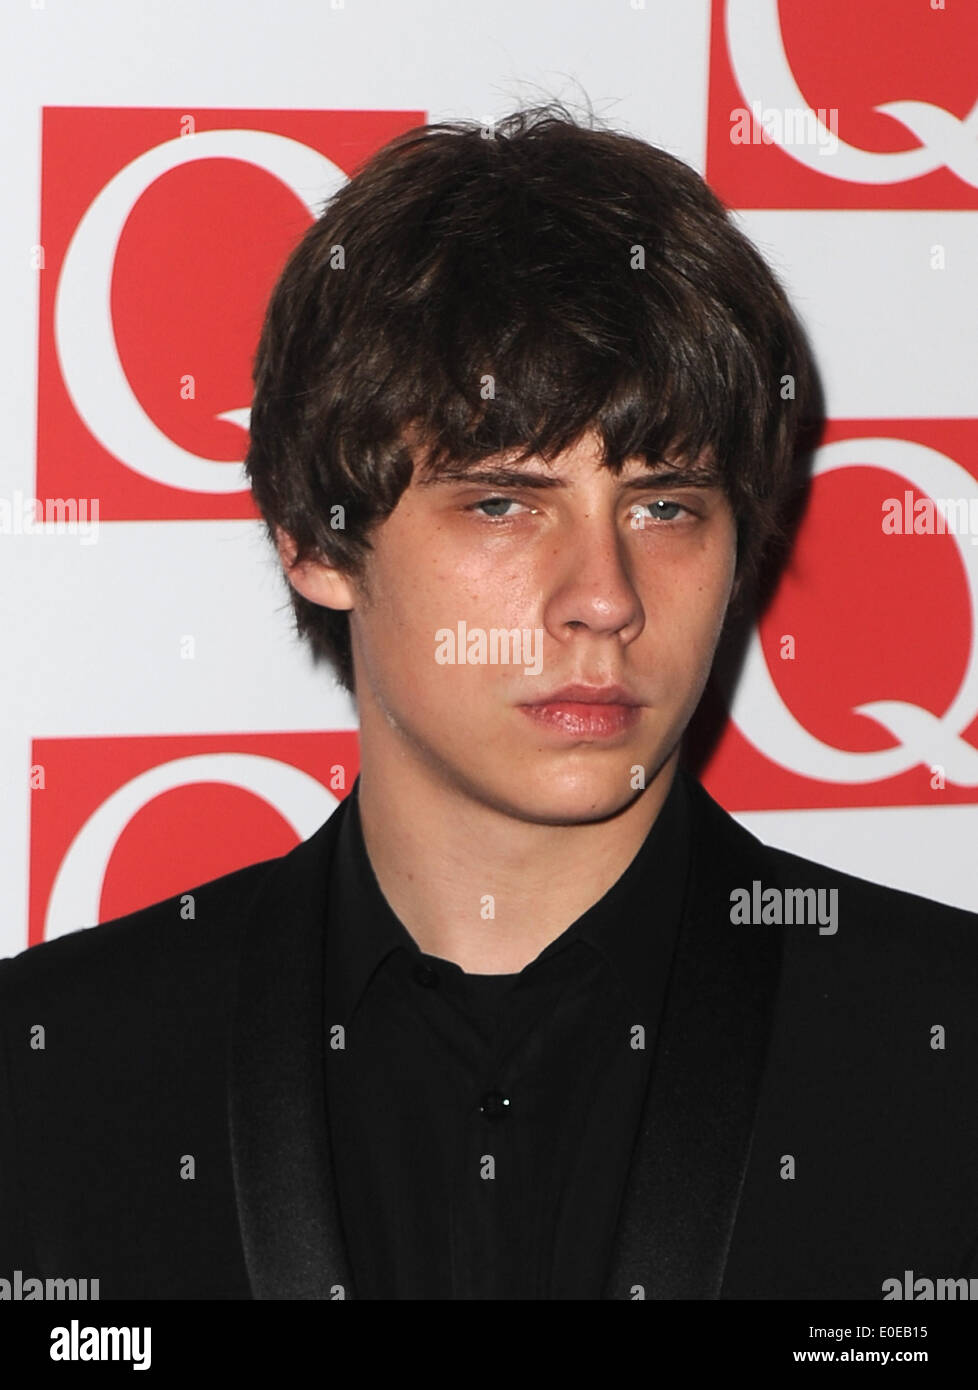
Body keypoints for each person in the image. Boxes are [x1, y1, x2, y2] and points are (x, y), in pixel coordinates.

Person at [1, 104, 976, 1302]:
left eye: (666, 505)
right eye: (505, 504)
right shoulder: (54, 1075)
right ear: (316, 538)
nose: (604, 598)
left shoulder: (939, 1048)